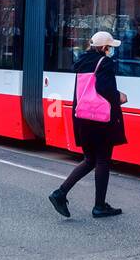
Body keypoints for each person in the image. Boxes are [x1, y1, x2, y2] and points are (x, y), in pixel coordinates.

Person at [50, 31, 128, 219]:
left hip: (83, 117)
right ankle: (99, 206)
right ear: (103, 48)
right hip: (100, 120)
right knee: (102, 160)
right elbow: (104, 88)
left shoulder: (82, 62)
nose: (110, 50)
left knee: (90, 159)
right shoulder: (105, 63)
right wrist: (119, 97)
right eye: (109, 47)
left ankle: (60, 193)